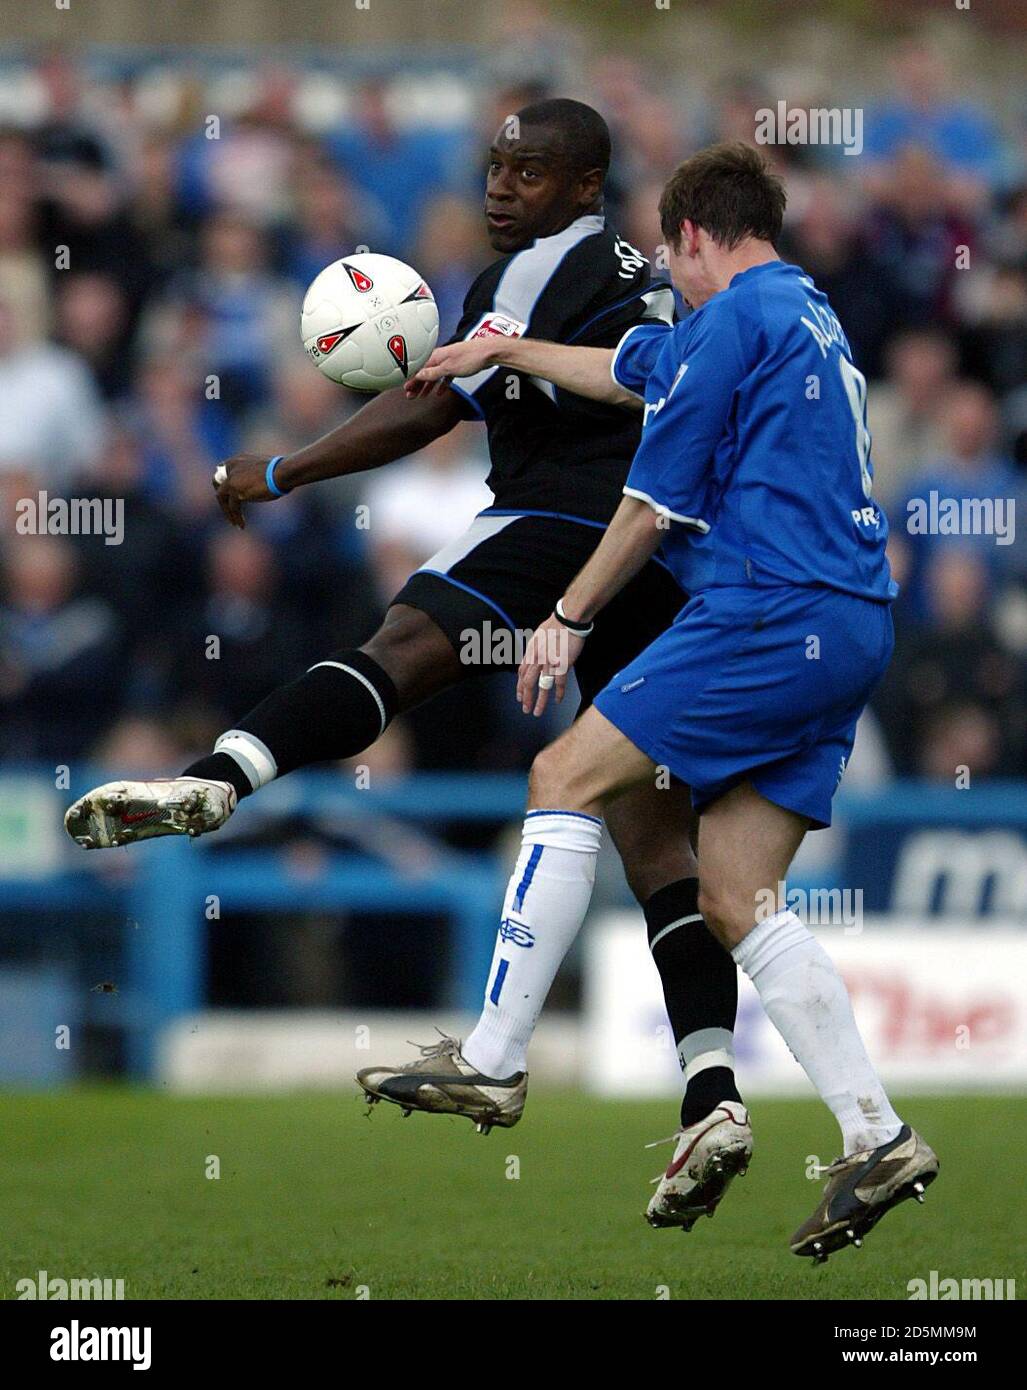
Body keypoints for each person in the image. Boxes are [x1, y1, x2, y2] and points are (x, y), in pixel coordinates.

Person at [65, 101, 751, 1231]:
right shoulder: (638, 268)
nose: (500, 189)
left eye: (528, 173)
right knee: (653, 833)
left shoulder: (537, 272)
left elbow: (425, 406)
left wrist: (276, 471)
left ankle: (219, 779)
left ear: (584, 186)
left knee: (397, 650)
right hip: (664, 549)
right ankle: (712, 1092)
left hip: (557, 518)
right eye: (493, 168)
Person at [405, 142, 939, 1259]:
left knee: (562, 775)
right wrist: (496, 349)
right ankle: (878, 1133)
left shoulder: (738, 320)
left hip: (764, 609)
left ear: (694, 234)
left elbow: (647, 504)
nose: (663, 268)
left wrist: (568, 614)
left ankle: (494, 1058)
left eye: (667, 251)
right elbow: (625, 367)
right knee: (739, 895)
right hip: (848, 624)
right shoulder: (796, 312)